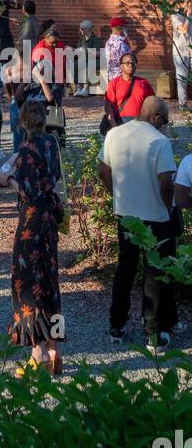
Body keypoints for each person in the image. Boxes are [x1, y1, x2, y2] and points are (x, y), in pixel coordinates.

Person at [99, 96, 179, 353]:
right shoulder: (160, 141)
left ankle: (117, 325)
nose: (165, 125)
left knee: (125, 267)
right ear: (157, 118)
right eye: (165, 119)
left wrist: (117, 194)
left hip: (126, 213)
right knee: (155, 271)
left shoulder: (115, 134)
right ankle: (154, 332)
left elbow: (103, 171)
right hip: (156, 215)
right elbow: (166, 182)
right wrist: (168, 207)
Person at [0, 100, 64, 377]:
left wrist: (6, 180)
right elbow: (54, 176)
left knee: (26, 284)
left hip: (32, 220)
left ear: (23, 122)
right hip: (50, 218)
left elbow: (26, 190)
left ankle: (36, 352)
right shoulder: (52, 143)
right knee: (50, 281)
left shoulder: (26, 151)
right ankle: (55, 350)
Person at [103, 51, 154, 129]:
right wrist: (113, 125)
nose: (130, 65)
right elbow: (108, 106)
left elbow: (152, 102)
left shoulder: (144, 83)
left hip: (140, 121)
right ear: (121, 66)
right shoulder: (114, 83)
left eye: (132, 63)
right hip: (121, 121)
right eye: (127, 63)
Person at [168, 0, 190, 110]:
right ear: (180, 4)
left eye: (190, 2)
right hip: (180, 52)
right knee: (182, 79)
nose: (189, 5)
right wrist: (188, 17)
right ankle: (183, 105)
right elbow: (184, 30)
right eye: (187, 3)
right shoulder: (175, 16)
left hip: (190, 50)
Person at [73, 19, 101, 96]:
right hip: (84, 59)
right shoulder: (81, 39)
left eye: (82, 28)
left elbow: (99, 54)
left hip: (95, 60)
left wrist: (87, 50)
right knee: (75, 65)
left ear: (88, 29)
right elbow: (78, 50)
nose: (80, 30)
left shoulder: (95, 39)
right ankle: (79, 88)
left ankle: (86, 89)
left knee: (89, 65)